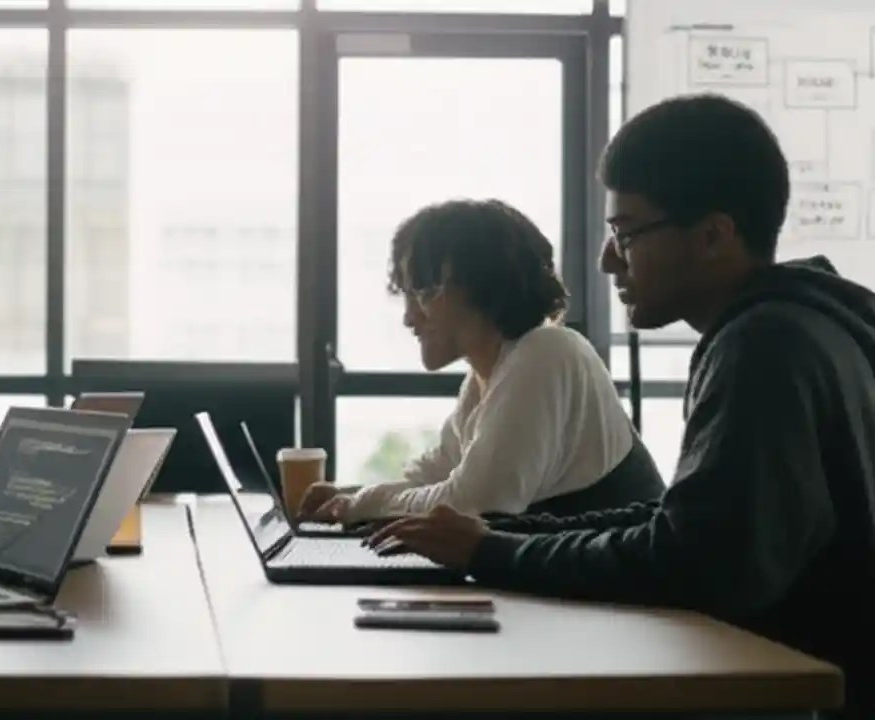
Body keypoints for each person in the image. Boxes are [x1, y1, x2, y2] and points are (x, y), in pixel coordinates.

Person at [366, 95, 875, 719]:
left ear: (714, 235)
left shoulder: (764, 348)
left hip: (785, 692)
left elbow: (694, 563)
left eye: (626, 232)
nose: (609, 260)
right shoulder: (796, 328)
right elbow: (681, 523)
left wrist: (491, 549)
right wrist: (495, 537)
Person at [298, 199, 663, 525]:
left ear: (487, 287)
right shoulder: (486, 377)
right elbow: (436, 475)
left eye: (424, 292)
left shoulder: (547, 352)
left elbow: (475, 504)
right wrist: (348, 495)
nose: (410, 318)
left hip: (629, 598)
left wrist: (363, 503)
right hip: (575, 594)